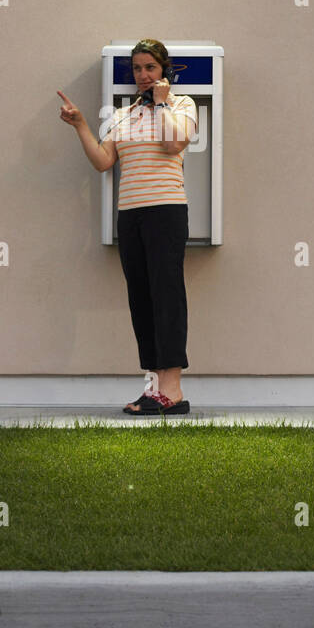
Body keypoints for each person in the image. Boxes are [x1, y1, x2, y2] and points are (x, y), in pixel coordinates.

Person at [57, 39, 197, 417]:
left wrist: (162, 103)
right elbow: (104, 161)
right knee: (142, 298)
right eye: (137, 68)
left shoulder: (182, 105)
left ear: (164, 70)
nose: (143, 75)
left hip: (166, 210)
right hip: (130, 213)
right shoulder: (124, 114)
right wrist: (81, 125)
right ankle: (156, 388)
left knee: (166, 296)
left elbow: (173, 144)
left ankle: (173, 390)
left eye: (150, 67)